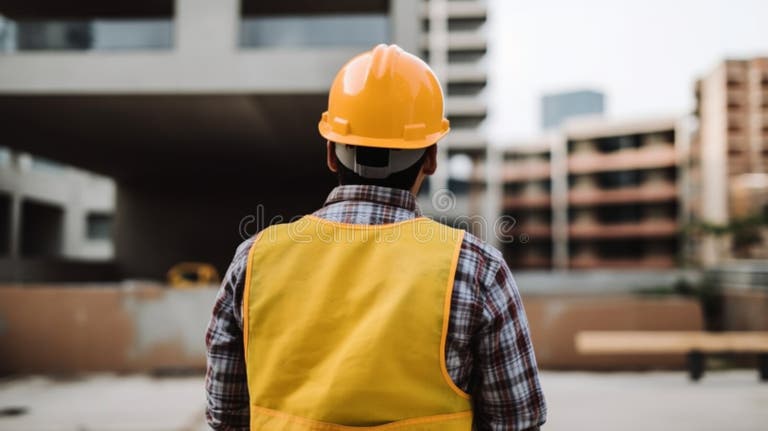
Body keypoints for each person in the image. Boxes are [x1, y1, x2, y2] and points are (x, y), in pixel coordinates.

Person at [205, 44, 546, 431]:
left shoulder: (254, 260)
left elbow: (225, 415)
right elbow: (518, 421)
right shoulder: (476, 269)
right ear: (431, 158)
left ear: (331, 153)